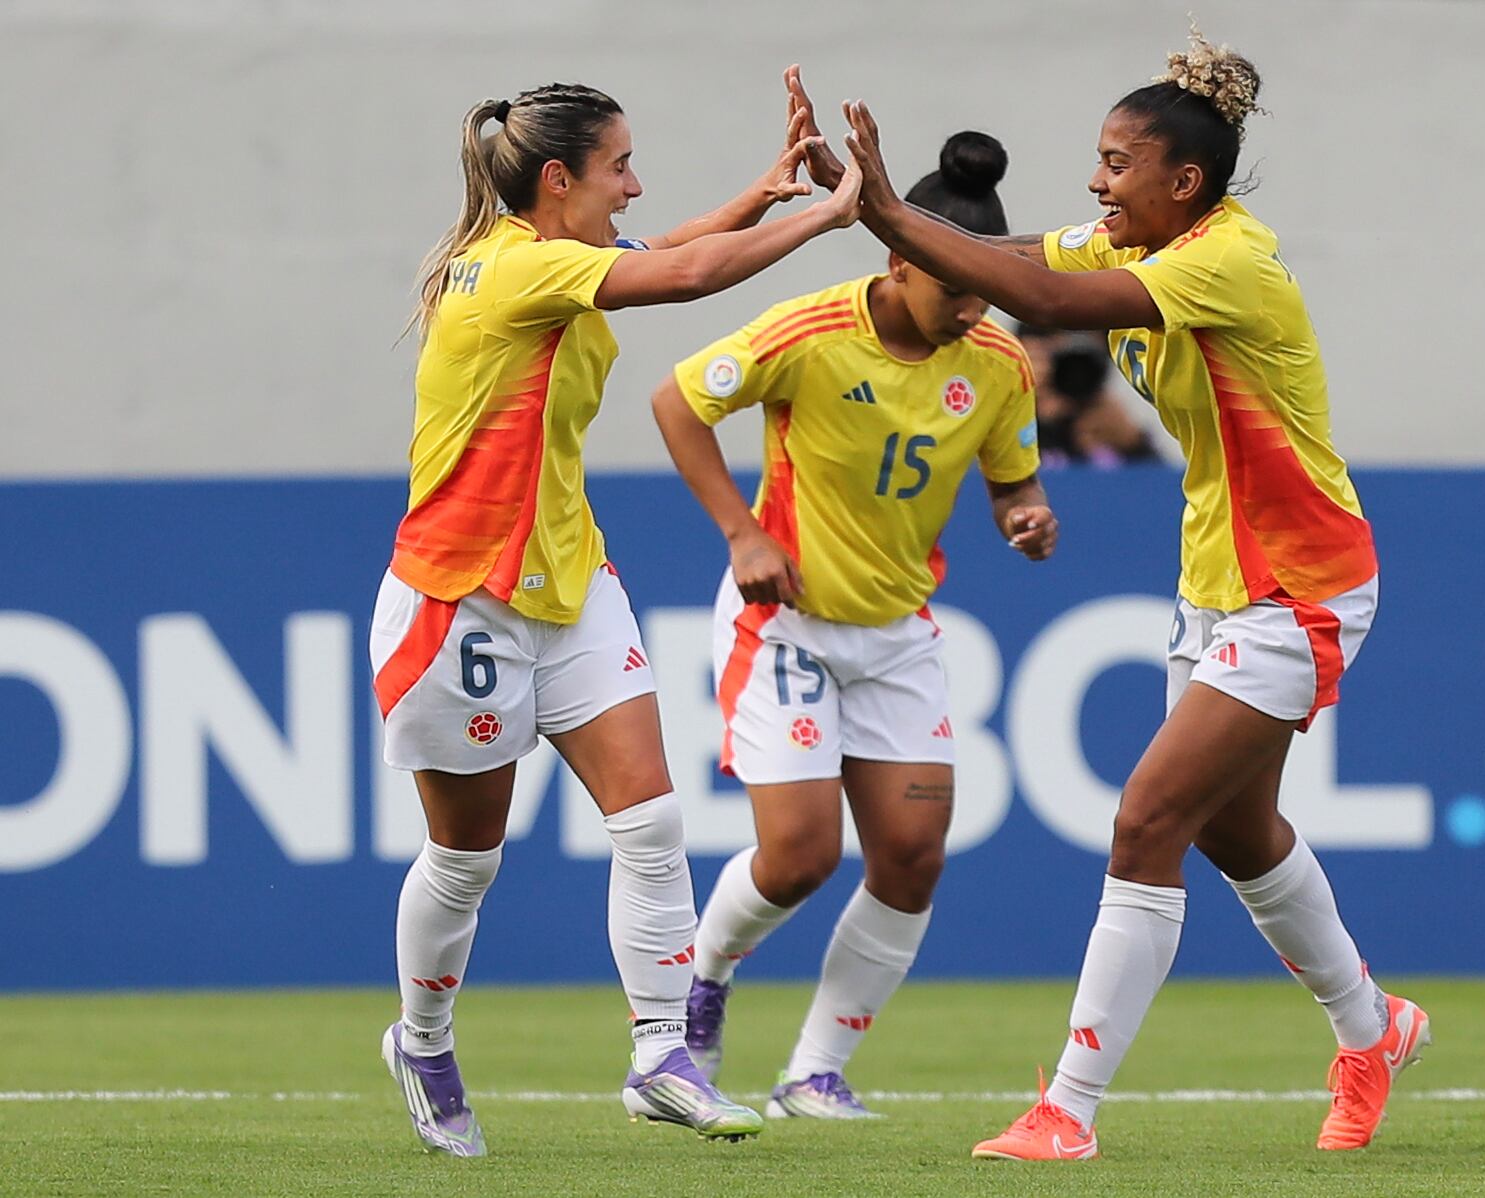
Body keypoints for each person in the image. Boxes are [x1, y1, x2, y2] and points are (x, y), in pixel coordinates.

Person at [797, 23, 1429, 1160]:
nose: (1096, 180)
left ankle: (1068, 1111)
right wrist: (875, 205)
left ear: (1183, 183)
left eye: (1117, 164)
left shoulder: (1220, 259)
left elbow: (1045, 301)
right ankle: (1373, 1030)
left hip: (1300, 584)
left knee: (1146, 820)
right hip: (1219, 577)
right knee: (1240, 834)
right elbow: (1030, 261)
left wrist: (888, 214)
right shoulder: (1146, 236)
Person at [370, 79, 862, 1156]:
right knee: (465, 861)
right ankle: (424, 1038)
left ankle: (659, 1058)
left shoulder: (548, 256)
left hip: (569, 579)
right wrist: (833, 214)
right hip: (461, 598)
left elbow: (669, 246)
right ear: (558, 181)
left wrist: (765, 195)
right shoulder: (517, 270)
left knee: (650, 820)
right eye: (619, 166)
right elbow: (679, 276)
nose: (635, 183)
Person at [649, 127, 1057, 1119]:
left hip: (897, 632)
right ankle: (699, 983)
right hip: (786, 623)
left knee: (912, 857)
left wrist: (1024, 516)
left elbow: (1015, 479)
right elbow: (674, 399)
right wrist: (743, 533)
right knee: (798, 855)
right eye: (954, 288)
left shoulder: (998, 362)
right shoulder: (810, 332)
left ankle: (814, 1069)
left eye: (984, 291)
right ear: (897, 262)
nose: (972, 307)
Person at [1014, 324, 1163, 466]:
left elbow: (1157, 484)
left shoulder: (1104, 419)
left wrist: (1133, 445)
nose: (1074, 374)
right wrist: (1027, 410)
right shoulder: (1012, 415)